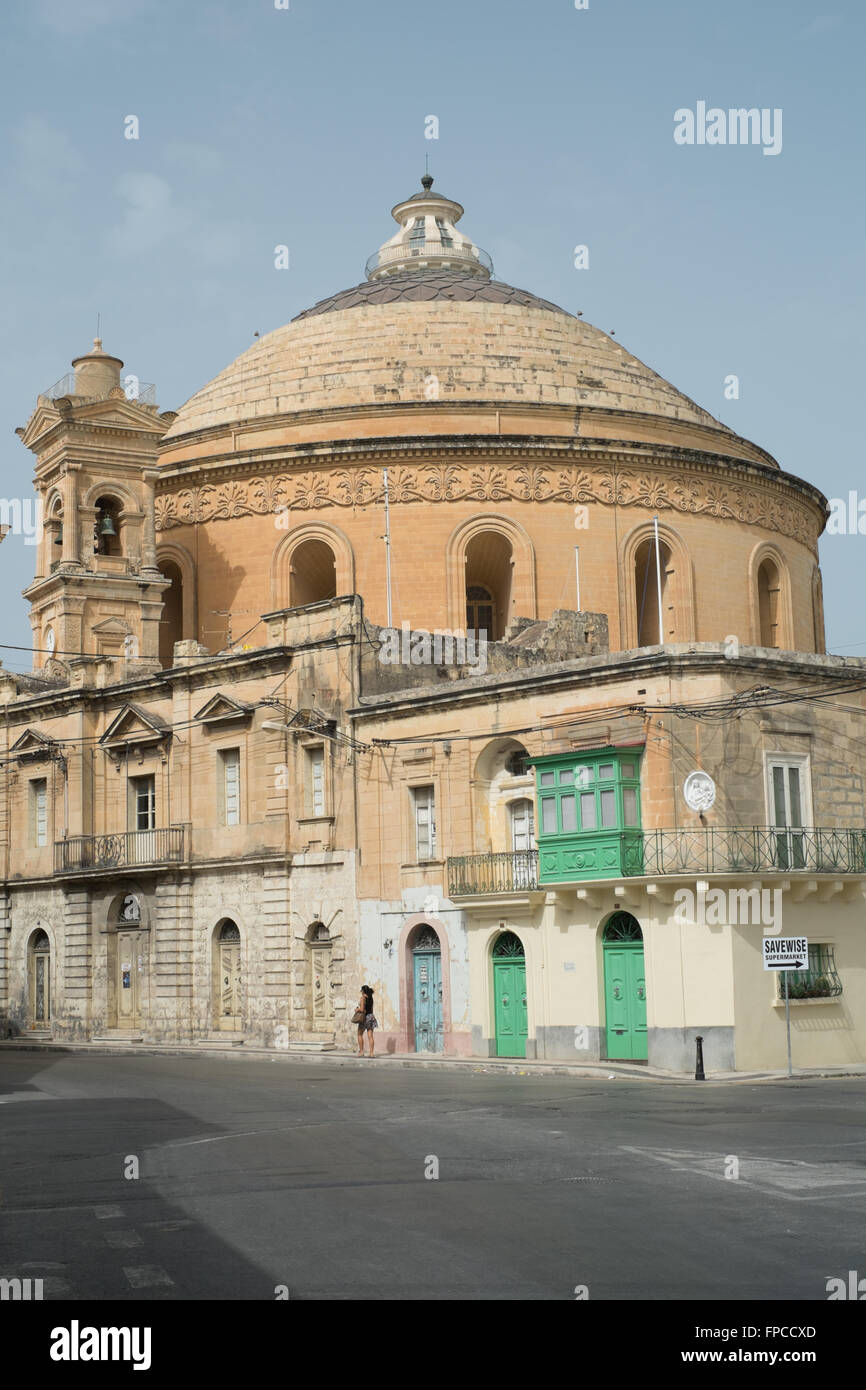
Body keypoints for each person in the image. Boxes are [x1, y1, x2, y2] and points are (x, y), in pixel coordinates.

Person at [357, 984, 377, 1056]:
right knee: (370, 1036)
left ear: (363, 991)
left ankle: (361, 1052)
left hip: (365, 1018)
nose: (361, 992)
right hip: (371, 1016)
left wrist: (357, 1010)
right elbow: (371, 1009)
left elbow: (362, 1009)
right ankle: (371, 1053)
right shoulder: (371, 998)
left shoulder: (363, 998)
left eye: (361, 991)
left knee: (359, 1034)